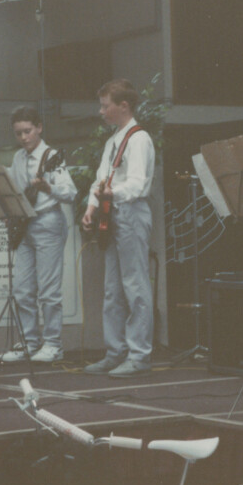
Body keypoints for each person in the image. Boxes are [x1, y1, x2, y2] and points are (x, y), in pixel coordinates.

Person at [80, 79, 156, 378]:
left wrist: (111, 195)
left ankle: (139, 354)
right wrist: (90, 207)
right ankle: (116, 351)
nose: (101, 111)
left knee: (135, 284)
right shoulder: (114, 140)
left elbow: (136, 184)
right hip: (111, 213)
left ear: (124, 106)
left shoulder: (139, 139)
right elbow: (101, 179)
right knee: (112, 289)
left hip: (131, 212)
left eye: (105, 105)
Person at [0, 106, 78, 364]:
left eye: (28, 131)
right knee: (22, 289)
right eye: (18, 133)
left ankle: (53, 344)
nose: (23, 137)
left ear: (39, 128)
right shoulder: (19, 158)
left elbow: (70, 192)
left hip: (47, 223)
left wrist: (49, 187)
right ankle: (30, 342)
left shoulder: (52, 156)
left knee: (48, 290)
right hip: (25, 225)